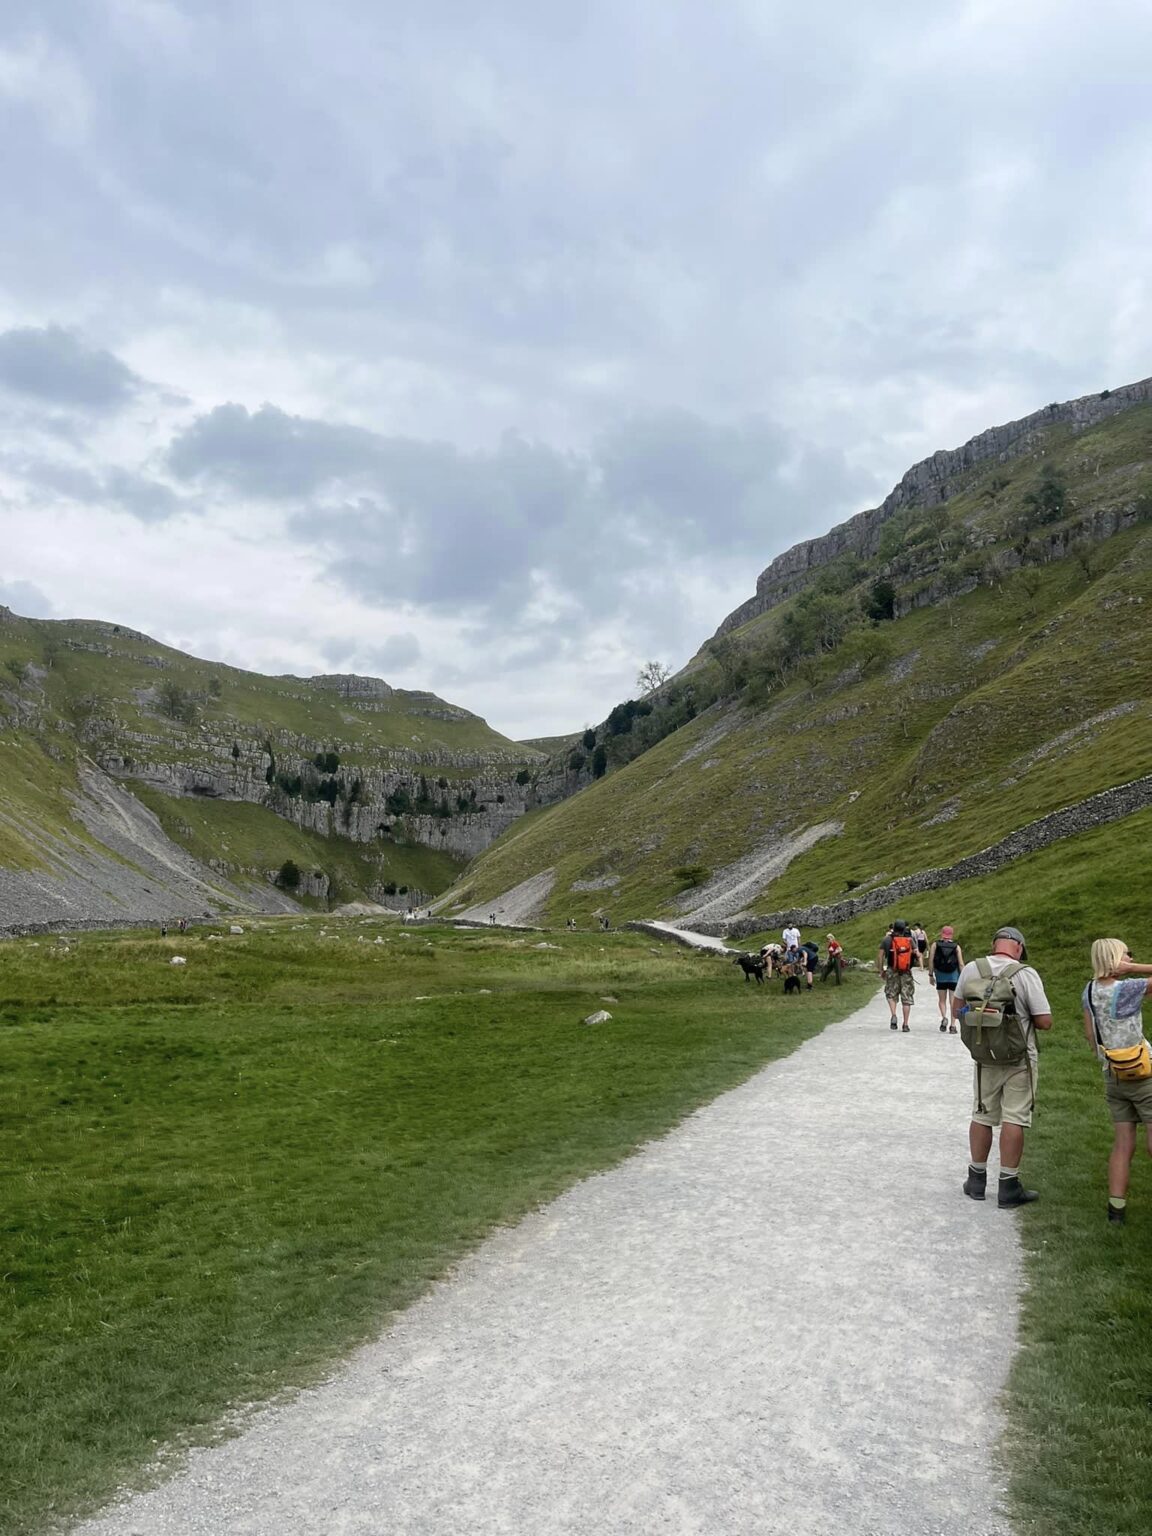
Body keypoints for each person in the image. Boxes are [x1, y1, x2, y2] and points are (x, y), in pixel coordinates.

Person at [955, 926, 1052, 1207]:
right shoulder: (1025, 973)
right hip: (1019, 1058)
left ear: (994, 944)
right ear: (1018, 947)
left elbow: (957, 1010)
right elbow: (1044, 1021)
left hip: (984, 1055)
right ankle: (1008, 1187)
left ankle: (976, 1180)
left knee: (982, 1114)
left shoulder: (972, 968)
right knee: (1014, 1118)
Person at [1082, 938, 1152, 1224]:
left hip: (1113, 1074)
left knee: (1123, 1144)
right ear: (1116, 959)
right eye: (1126, 955)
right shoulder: (1128, 988)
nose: (1130, 959)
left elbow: (1090, 1035)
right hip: (1145, 1075)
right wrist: (1134, 968)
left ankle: (1116, 1210)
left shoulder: (1088, 991)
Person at [878, 919, 916, 1031]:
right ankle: (905, 1024)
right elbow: (917, 953)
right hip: (906, 972)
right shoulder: (909, 940)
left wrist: (881, 970)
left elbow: (880, 956)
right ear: (904, 929)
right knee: (906, 997)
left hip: (892, 970)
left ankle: (894, 1015)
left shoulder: (887, 939)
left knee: (891, 993)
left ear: (893, 928)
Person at [928, 925, 964, 1032]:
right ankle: (953, 1026)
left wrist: (931, 975)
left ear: (942, 934)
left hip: (940, 976)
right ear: (952, 934)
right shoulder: (956, 946)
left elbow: (931, 960)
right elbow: (961, 964)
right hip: (953, 977)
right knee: (953, 1002)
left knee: (942, 1000)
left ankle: (944, 1017)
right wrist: (963, 977)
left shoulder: (935, 945)